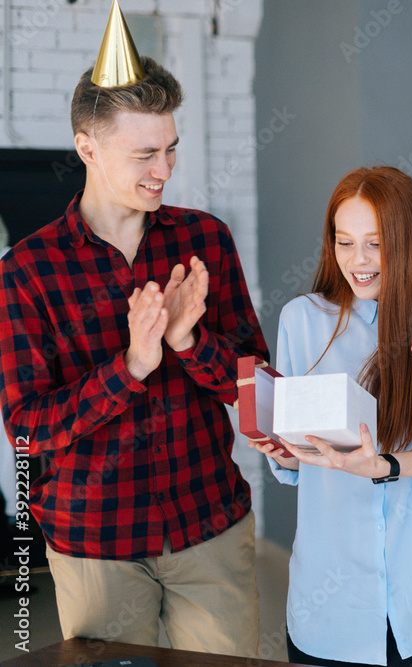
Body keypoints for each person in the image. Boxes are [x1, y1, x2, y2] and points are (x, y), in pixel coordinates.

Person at [0, 55, 267, 657]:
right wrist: (132, 367)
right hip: (95, 545)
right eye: (145, 154)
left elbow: (255, 384)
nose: (164, 170)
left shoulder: (205, 239)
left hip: (210, 526)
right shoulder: (26, 272)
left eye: (170, 149)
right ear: (87, 148)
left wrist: (189, 343)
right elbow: (27, 429)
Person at [254, 166, 412, 667]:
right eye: (345, 242)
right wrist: (281, 448)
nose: (358, 261)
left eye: (376, 244)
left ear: (407, 240)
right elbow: (294, 462)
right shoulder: (301, 319)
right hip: (327, 604)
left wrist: (386, 465)